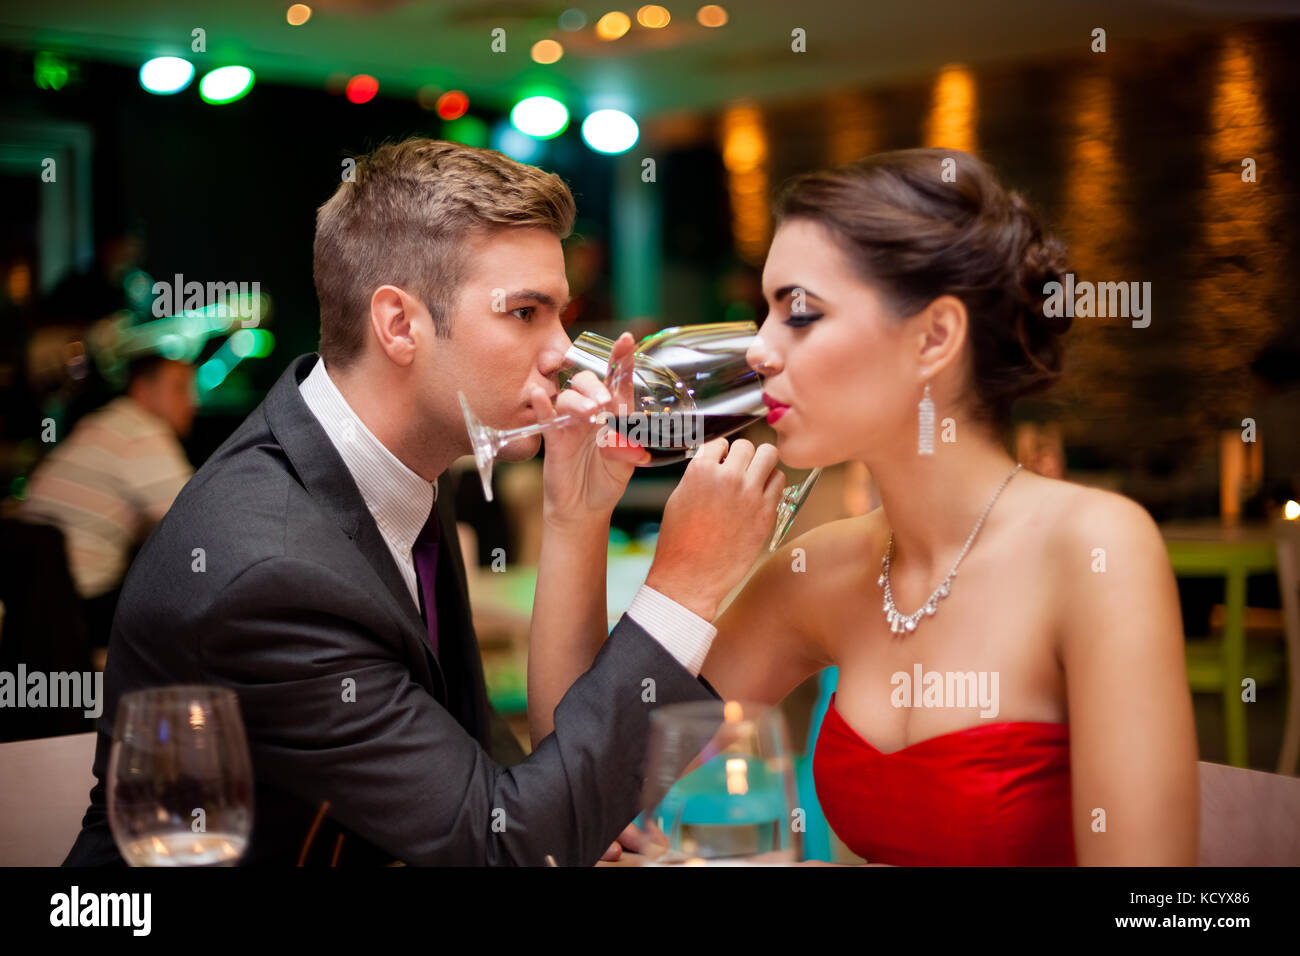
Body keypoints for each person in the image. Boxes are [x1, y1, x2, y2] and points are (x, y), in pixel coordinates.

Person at [62, 138, 783, 867]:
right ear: (399, 324)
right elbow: (500, 848)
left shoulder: (383, 474)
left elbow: (506, 789)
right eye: (526, 312)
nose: (563, 351)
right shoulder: (272, 571)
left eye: (560, 314)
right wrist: (682, 590)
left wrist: (578, 512)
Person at [532, 148, 1200, 865]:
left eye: (800, 313)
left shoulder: (1095, 548)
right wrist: (576, 516)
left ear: (935, 337)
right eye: (766, 312)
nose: (758, 348)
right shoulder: (821, 571)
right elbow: (582, 786)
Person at [22, 355, 196, 648]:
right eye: (179, 389)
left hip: (29, 602)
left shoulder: (103, 423)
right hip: (76, 605)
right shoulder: (143, 432)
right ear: (143, 391)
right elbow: (200, 522)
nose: (192, 402)